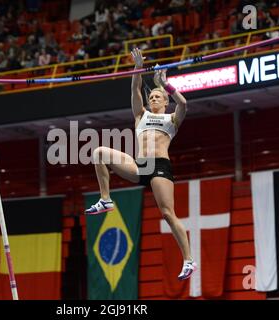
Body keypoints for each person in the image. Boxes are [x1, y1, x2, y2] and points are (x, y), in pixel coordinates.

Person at [85, 48, 196, 280]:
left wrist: (165, 85)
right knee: (99, 152)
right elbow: (135, 88)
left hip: (160, 167)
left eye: (158, 96)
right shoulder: (140, 115)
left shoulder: (172, 119)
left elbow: (184, 103)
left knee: (167, 213)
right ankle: (105, 200)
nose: (153, 98)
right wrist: (137, 67)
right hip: (140, 165)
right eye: (152, 96)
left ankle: (188, 260)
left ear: (165, 101)